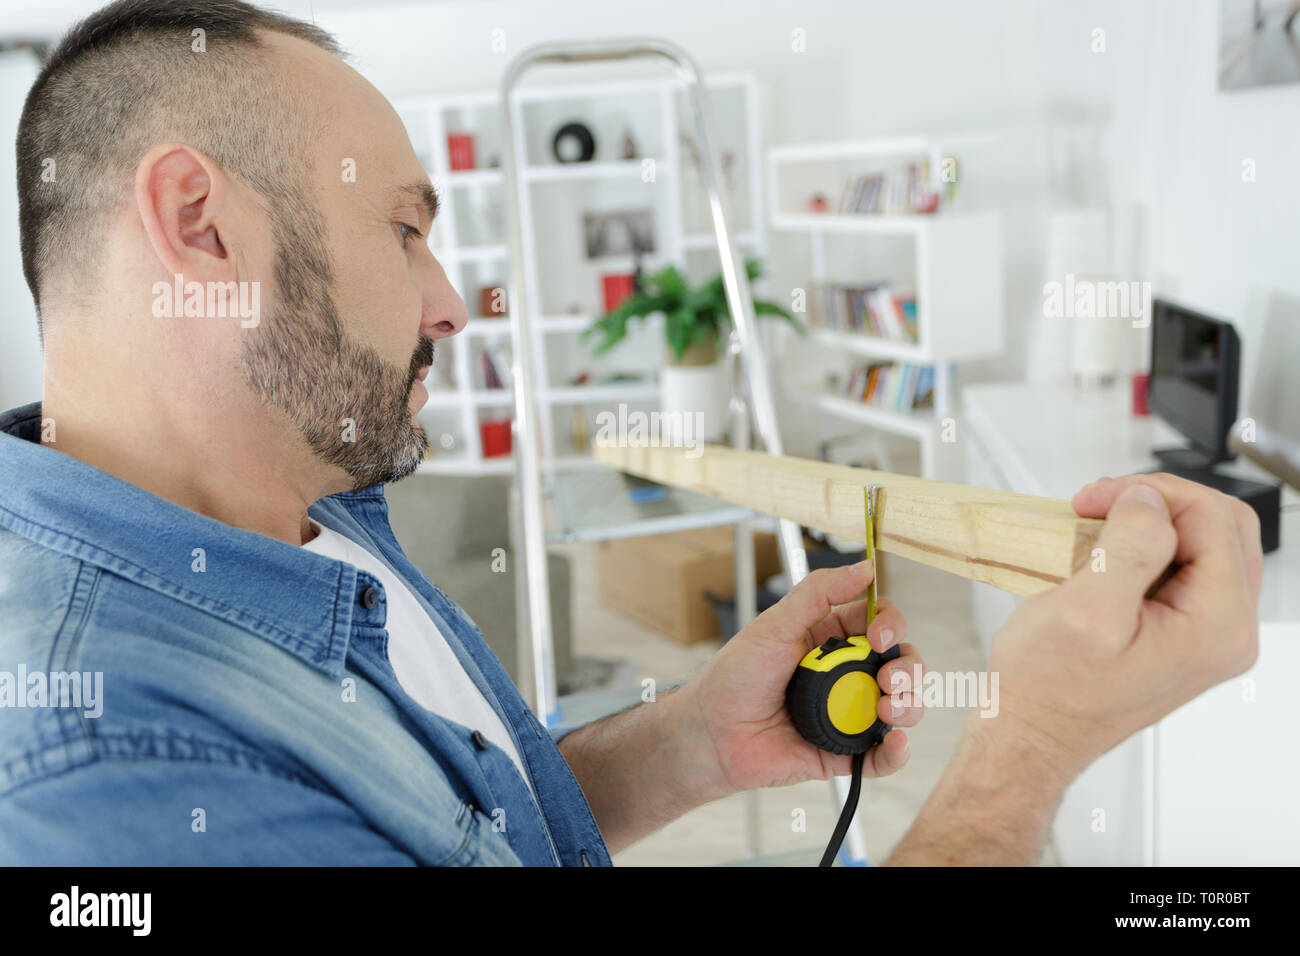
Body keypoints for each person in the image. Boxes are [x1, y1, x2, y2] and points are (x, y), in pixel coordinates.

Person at [0, 0, 1260, 866]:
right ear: (199, 225)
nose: (447, 300)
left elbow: (462, 824)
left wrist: (690, 742)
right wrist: (1029, 747)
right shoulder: (105, 784)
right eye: (402, 226)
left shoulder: (301, 498)